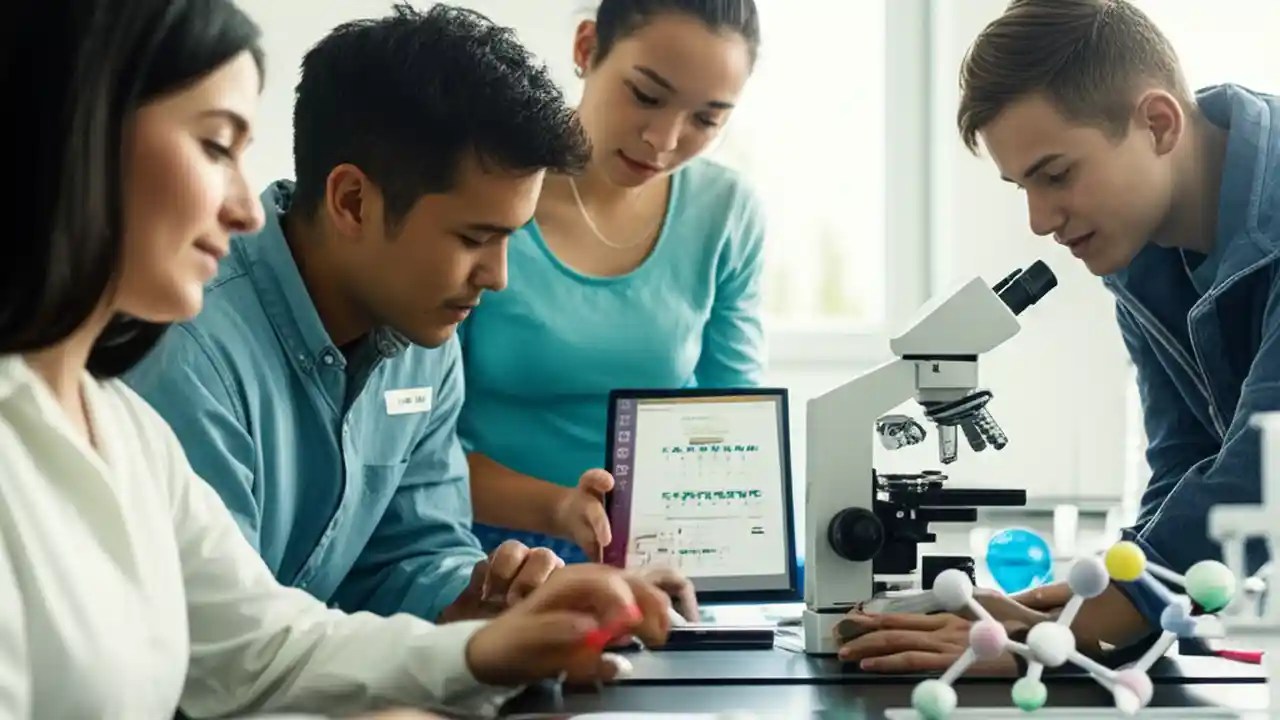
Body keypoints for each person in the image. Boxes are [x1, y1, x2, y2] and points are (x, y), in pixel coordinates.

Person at [0, 0, 676, 717]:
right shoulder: (175, 361)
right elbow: (216, 686)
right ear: (84, 138)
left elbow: (263, 648)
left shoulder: (123, 426)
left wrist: (492, 637)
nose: (244, 208)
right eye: (216, 146)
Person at [836, 0, 1280, 674]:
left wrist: (1057, 642)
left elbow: (1263, 476)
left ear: (1157, 123)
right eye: (1022, 186)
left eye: (1056, 174)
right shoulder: (1144, 249)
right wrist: (1069, 608)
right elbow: (1185, 459)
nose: (1041, 220)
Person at [458, 0, 767, 572]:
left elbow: (735, 424)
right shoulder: (486, 191)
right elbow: (415, 449)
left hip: (659, 551)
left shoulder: (726, 212)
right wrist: (560, 509)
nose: (663, 139)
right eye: (646, 96)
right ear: (586, 49)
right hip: (490, 546)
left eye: (706, 119)